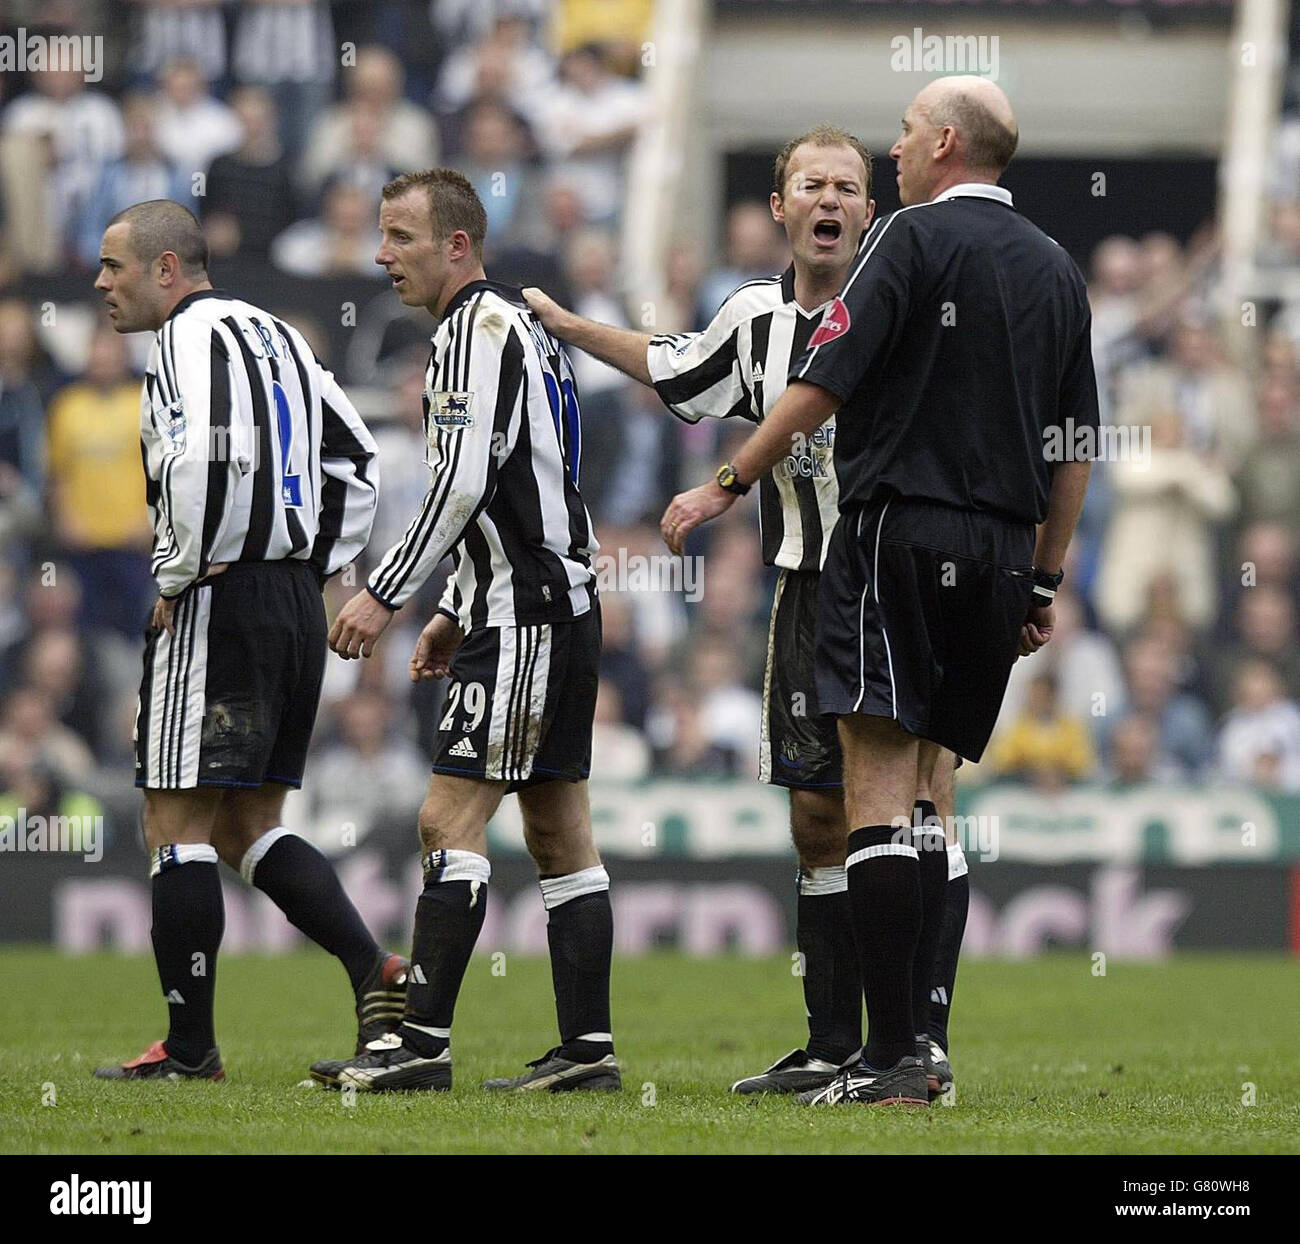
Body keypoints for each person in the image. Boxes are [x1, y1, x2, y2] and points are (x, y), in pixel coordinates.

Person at [661, 77, 1098, 1106]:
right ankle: (928, 1042)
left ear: (945, 143)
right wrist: (1044, 571)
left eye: (904, 132)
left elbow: (822, 383)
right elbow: (1073, 447)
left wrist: (728, 480)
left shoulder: (903, 240)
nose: (894, 148)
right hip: (998, 549)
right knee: (935, 798)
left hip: (897, 528)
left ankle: (889, 1054)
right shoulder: (1056, 268)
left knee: (872, 792)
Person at [525, 123, 970, 1100]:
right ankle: (829, 1043)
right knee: (817, 817)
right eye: (809, 184)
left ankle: (920, 1041)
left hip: (897, 584)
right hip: (806, 587)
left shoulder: (908, 304)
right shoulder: (752, 319)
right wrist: (568, 326)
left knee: (919, 799)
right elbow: (674, 364)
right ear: (779, 208)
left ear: (868, 208)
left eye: (847, 186)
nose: (828, 200)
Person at [90, 200, 406, 1082]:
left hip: (218, 594)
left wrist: (177, 573)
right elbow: (360, 458)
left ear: (165, 269)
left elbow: (192, 464)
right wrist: (313, 563)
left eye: (114, 266)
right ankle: (374, 966)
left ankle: (190, 1049)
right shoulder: (278, 334)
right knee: (248, 824)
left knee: (174, 820)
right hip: (292, 600)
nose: (99, 283)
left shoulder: (182, 342)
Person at [315, 169, 616, 1094]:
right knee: (560, 829)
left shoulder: (477, 332)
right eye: (380, 234)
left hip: (525, 614)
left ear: (457, 245)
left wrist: (388, 593)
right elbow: (528, 483)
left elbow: (463, 481)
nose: (381, 254)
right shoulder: (508, 334)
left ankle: (422, 1046)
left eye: (400, 236)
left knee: (447, 817)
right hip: (545, 602)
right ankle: (587, 1055)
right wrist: (455, 604)